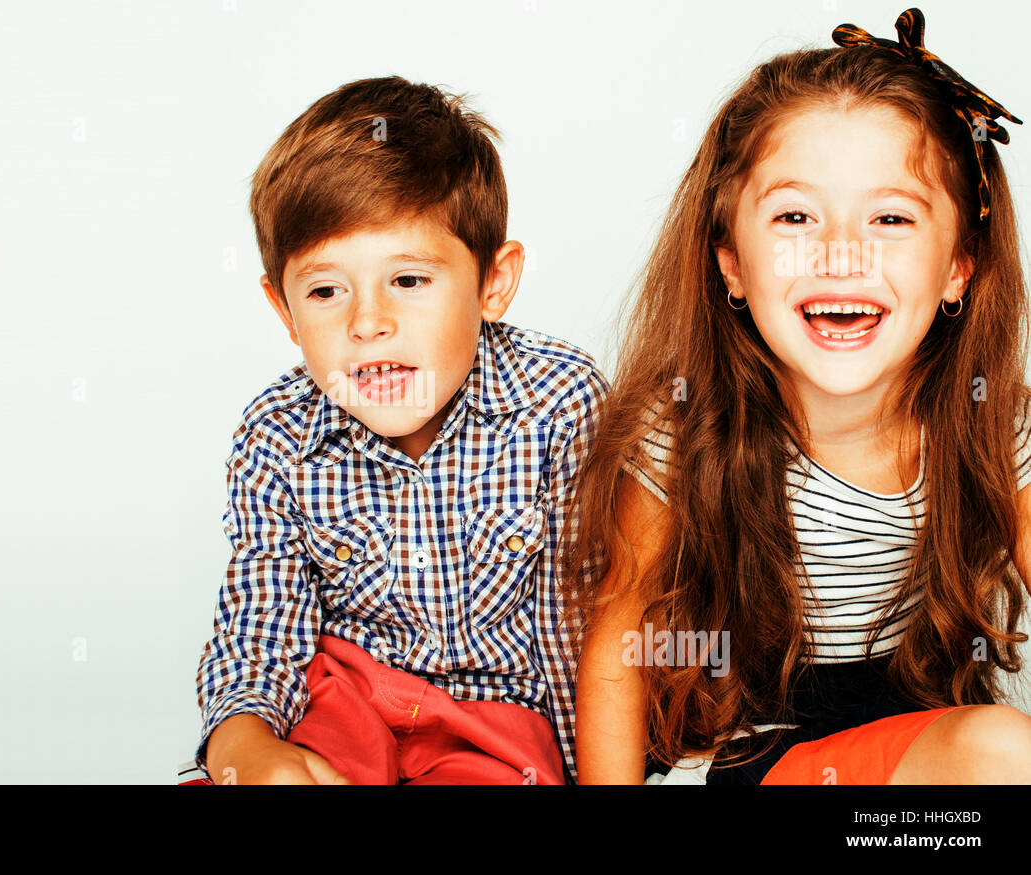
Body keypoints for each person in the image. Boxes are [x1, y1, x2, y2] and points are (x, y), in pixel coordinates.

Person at [565, 8, 1031, 785]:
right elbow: (621, 649)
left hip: (911, 755)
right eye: (795, 216)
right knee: (1005, 753)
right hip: (741, 758)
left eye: (890, 217)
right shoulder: (679, 429)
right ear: (732, 264)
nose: (841, 251)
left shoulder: (998, 423)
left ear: (959, 268)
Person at [195, 76, 606, 784]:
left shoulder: (559, 403)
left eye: (409, 281)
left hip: (496, 727)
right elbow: (260, 630)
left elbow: (582, 631)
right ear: (283, 308)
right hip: (344, 702)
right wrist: (245, 750)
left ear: (493, 283)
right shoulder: (276, 434)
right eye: (325, 291)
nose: (366, 321)